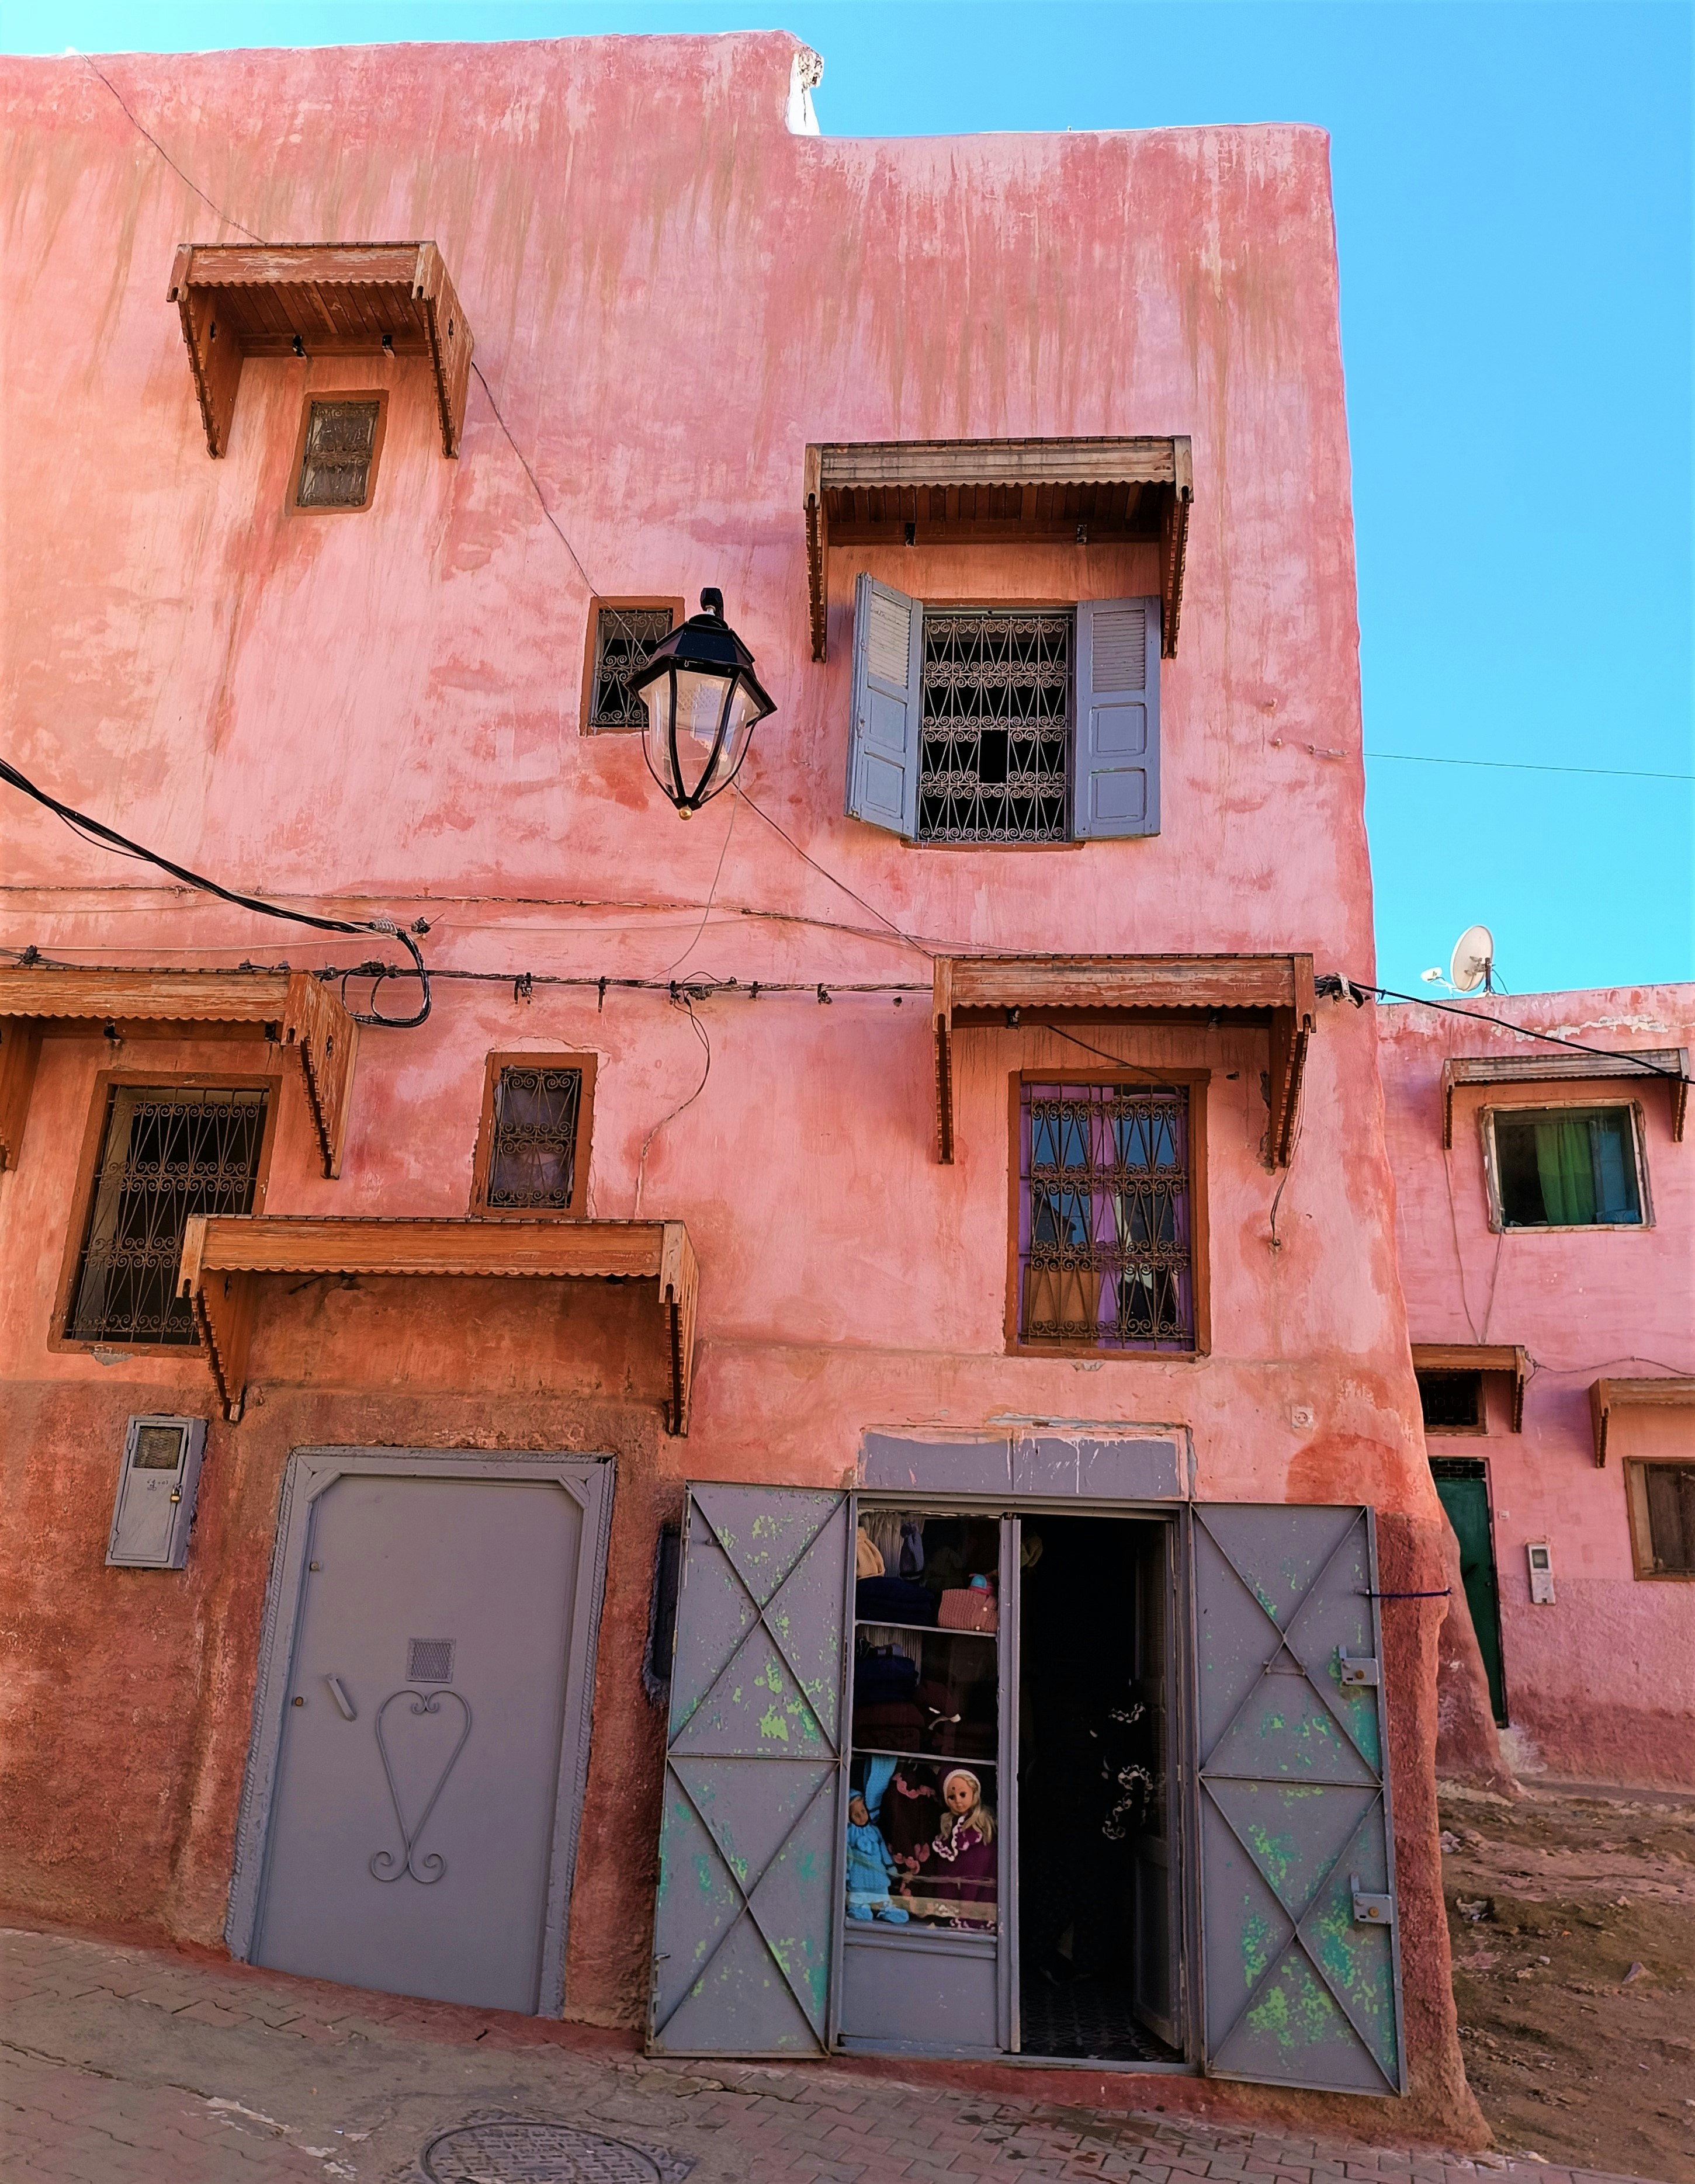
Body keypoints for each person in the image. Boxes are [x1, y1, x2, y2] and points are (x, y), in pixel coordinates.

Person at [927, 1768, 997, 1928]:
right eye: (952, 1797)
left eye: (963, 1794)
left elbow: (979, 1869)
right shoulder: (947, 1828)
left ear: (974, 1792)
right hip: (951, 1902)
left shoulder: (983, 1830)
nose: (958, 1801)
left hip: (978, 1896)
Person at [844, 1793, 909, 1922]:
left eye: (863, 1811)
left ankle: (885, 1908)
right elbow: (847, 1854)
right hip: (859, 1872)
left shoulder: (874, 1830)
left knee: (881, 1889)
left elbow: (883, 1850)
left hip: (877, 1870)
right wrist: (846, 1874)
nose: (862, 1817)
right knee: (859, 1891)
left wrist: (889, 1867)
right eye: (856, 1815)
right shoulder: (849, 1832)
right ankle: (860, 1907)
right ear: (849, 1817)